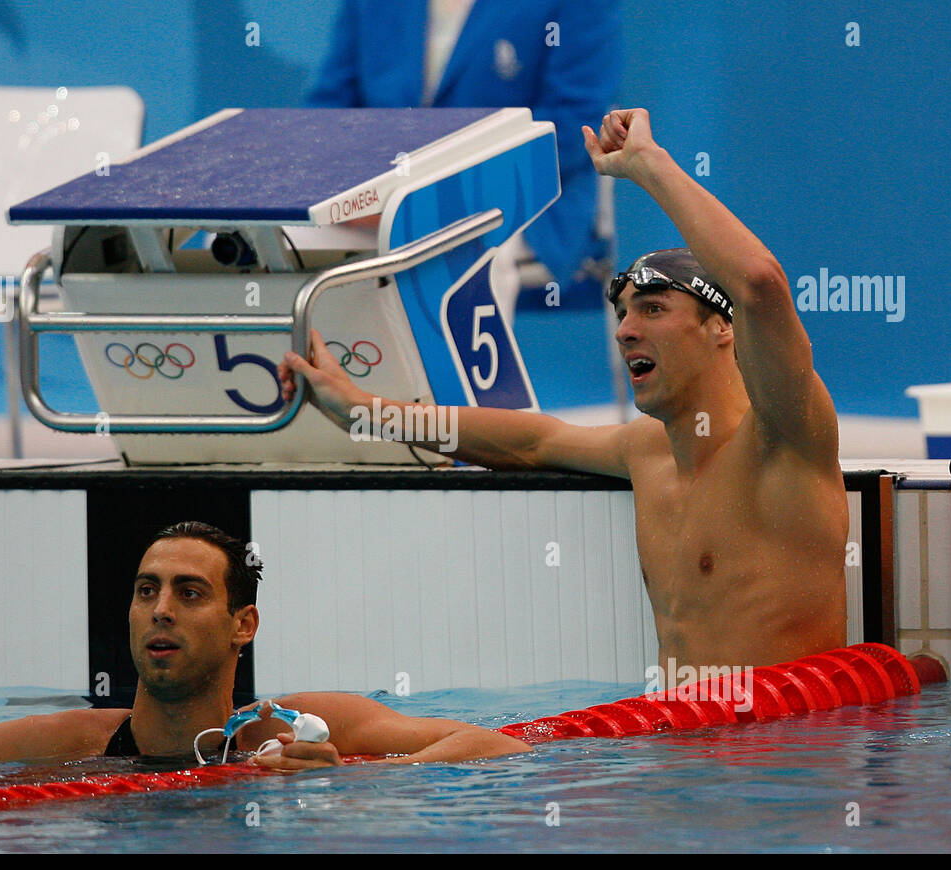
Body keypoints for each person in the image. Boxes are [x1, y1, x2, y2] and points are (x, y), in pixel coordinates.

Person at [279, 108, 849, 677]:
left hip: (782, 745)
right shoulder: (647, 452)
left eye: (654, 309)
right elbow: (532, 442)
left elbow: (759, 283)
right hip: (685, 745)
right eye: (623, 313)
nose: (626, 330)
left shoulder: (783, 438)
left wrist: (649, 166)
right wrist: (361, 411)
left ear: (722, 327)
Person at [0, 522, 528, 768]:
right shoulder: (71, 742)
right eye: (147, 591)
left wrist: (352, 776)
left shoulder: (294, 725)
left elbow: (497, 745)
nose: (161, 610)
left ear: (242, 625)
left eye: (189, 593)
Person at [307, 0, 623, 304]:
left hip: (520, 204)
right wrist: (359, 195)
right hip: (379, 205)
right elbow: (328, 110)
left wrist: (430, 202)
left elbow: (570, 129)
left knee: (461, 250)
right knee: (297, 242)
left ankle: (449, 360)